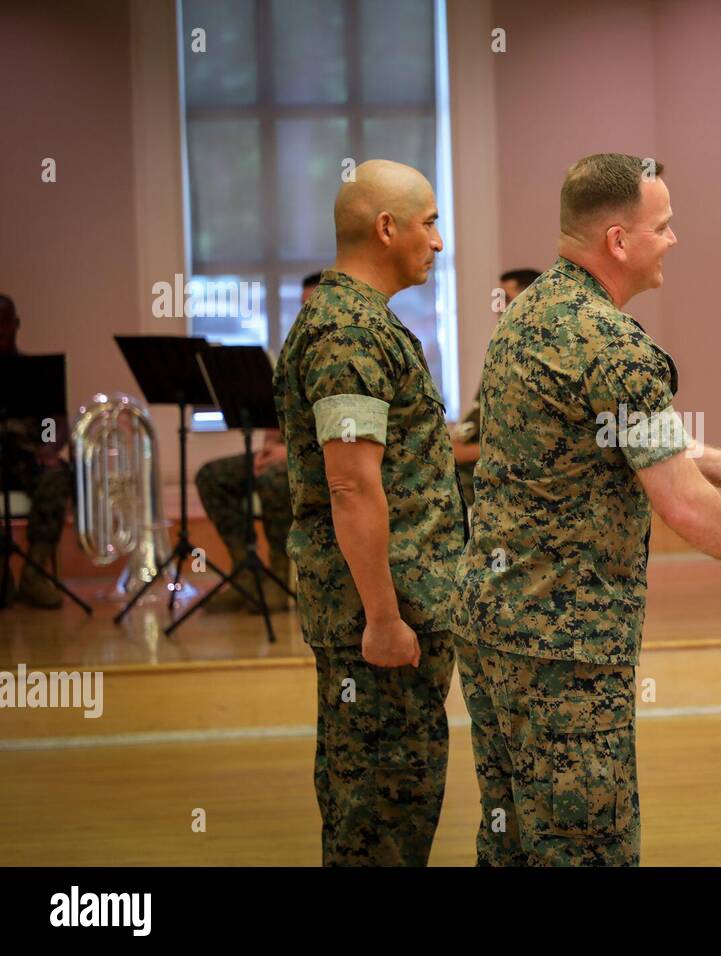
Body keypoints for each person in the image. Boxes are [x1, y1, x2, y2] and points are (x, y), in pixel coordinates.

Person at [455, 153, 721, 867]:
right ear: (619, 241)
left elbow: (624, 439)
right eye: (665, 226)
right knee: (588, 847)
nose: (674, 239)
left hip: (493, 622)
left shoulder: (528, 311)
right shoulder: (614, 346)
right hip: (566, 643)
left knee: (512, 838)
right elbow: (677, 498)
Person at [273, 160, 467, 866]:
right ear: (387, 228)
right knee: (381, 814)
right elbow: (352, 486)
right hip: (381, 616)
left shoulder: (360, 323)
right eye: (430, 223)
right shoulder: (349, 335)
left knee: (386, 806)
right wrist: (384, 618)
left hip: (394, 606)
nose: (438, 242)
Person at [196, 272, 321, 613]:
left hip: (322, 462)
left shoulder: (338, 354)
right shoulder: (293, 353)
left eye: (313, 306)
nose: (306, 315)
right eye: (302, 307)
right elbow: (279, 415)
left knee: (273, 480)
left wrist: (288, 454)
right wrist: (269, 446)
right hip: (286, 452)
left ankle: (280, 580)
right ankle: (245, 572)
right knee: (211, 476)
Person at [0, 293, 73, 610]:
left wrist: (49, 446)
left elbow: (53, 420)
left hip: (27, 458)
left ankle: (33, 572)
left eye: (4, 323)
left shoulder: (37, 373)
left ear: (16, 325)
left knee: (58, 475)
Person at [450, 267, 541, 507]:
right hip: (469, 490)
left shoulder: (538, 361)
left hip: (500, 497)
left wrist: (457, 453)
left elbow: (529, 444)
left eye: (506, 299)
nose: (498, 308)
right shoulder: (503, 353)